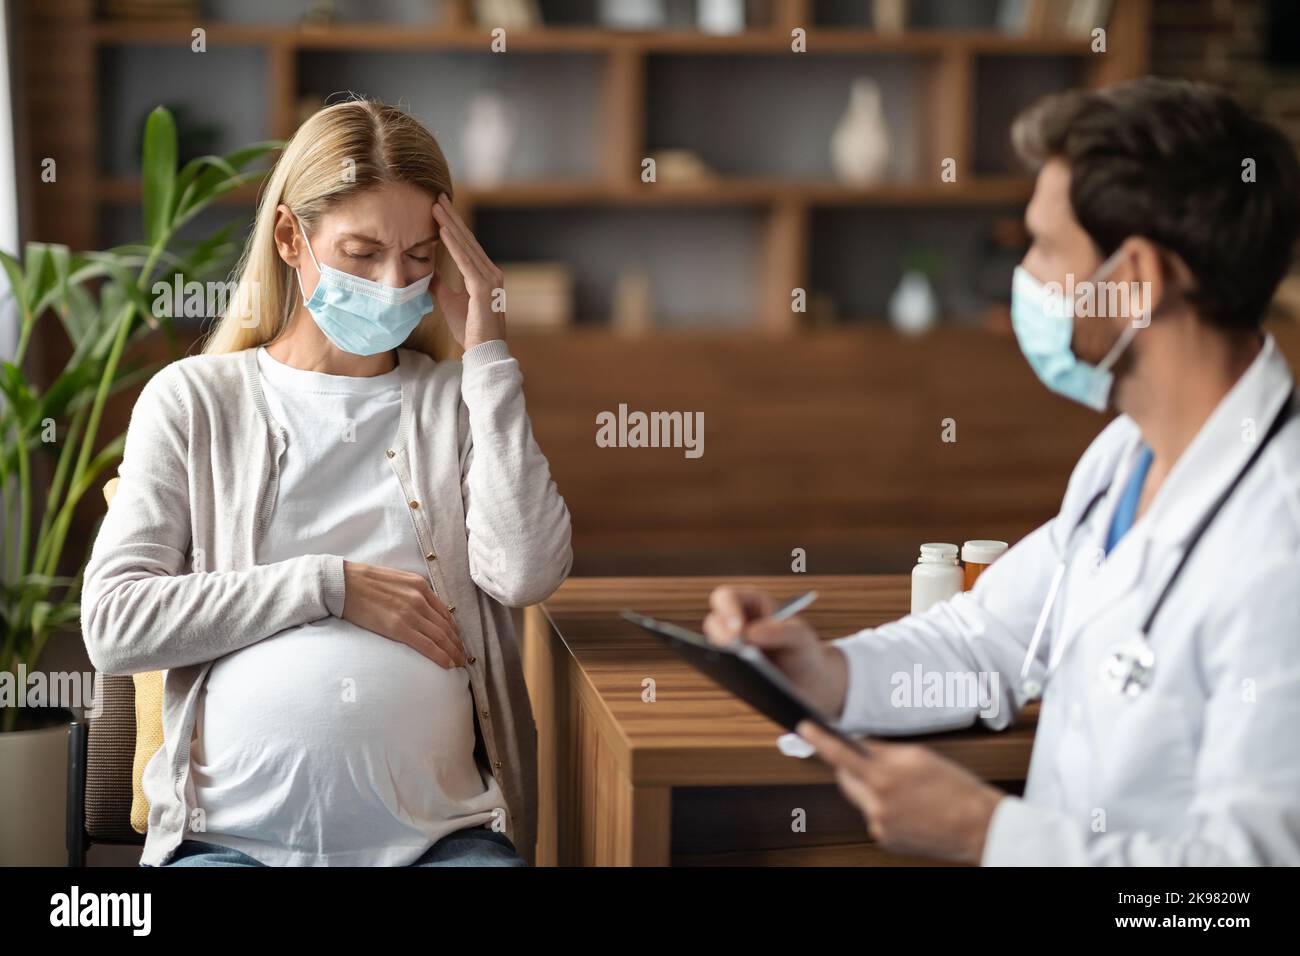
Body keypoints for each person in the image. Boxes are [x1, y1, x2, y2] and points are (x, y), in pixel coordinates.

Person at [704, 77, 1300, 866]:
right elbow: (989, 638)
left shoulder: (1279, 545)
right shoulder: (1125, 457)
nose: (1025, 277)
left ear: (1138, 282)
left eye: (1047, 248)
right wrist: (828, 675)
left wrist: (991, 836)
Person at [81, 98, 572, 867]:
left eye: (418, 257)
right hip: (226, 845)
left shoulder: (456, 400)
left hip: (444, 842)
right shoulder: (195, 400)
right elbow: (113, 625)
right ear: (290, 237)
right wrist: (328, 585)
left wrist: (488, 357)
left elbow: (528, 570)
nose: (392, 283)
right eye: (361, 252)